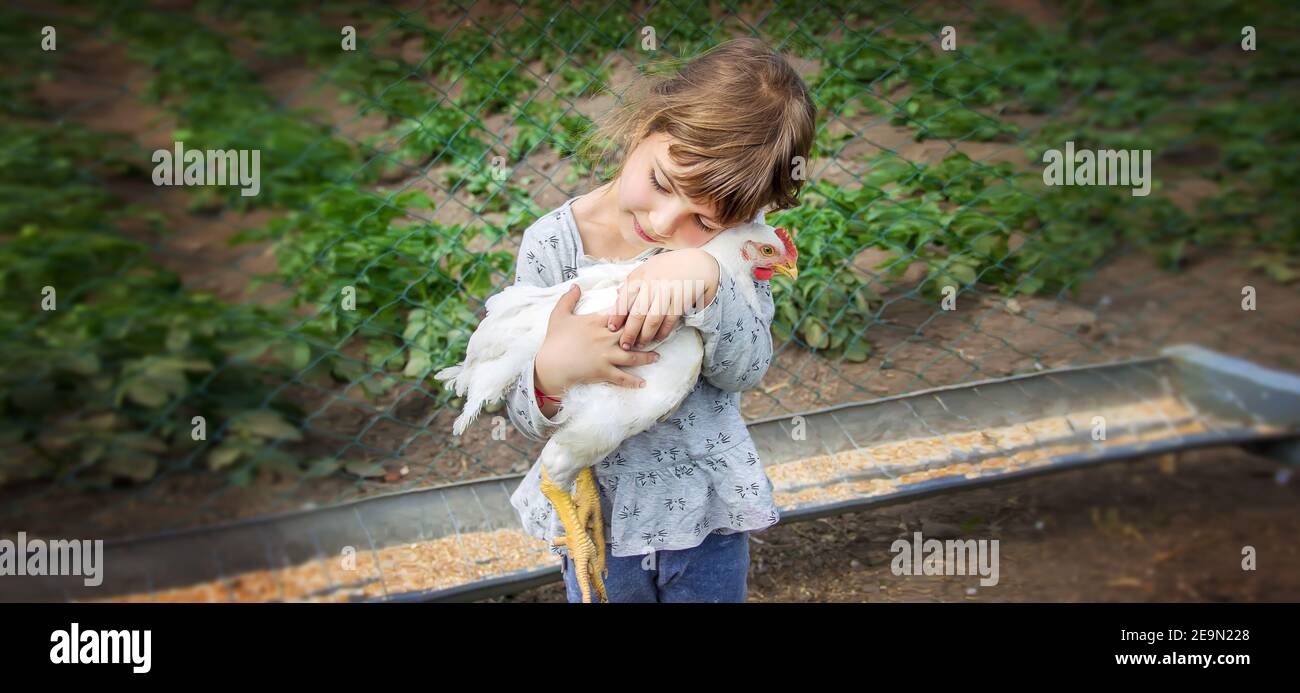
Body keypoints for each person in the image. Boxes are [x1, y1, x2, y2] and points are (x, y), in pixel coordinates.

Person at [506, 36, 816, 602]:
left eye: (703, 219)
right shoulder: (552, 245)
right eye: (661, 184)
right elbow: (524, 416)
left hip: (707, 510)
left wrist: (709, 278)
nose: (667, 222)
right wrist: (550, 371)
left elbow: (746, 368)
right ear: (644, 128)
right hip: (600, 518)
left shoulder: (731, 252)